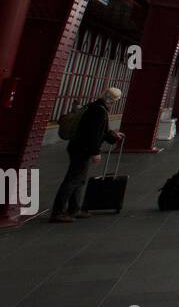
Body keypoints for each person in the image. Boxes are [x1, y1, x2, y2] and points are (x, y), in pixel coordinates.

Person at [50, 87, 125, 223]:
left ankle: (75, 208)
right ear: (115, 100)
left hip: (78, 147)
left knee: (79, 179)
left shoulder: (93, 106)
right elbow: (93, 134)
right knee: (73, 179)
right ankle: (58, 212)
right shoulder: (99, 111)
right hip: (82, 149)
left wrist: (112, 135)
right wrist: (95, 152)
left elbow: (99, 130)